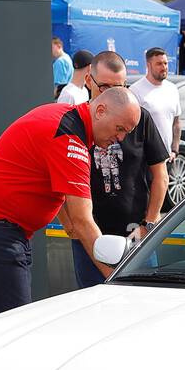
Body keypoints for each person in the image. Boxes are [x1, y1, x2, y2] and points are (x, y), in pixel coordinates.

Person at [0, 88, 141, 314]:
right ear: (100, 111)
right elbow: (83, 221)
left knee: (12, 321)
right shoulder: (69, 139)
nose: (120, 138)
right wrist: (115, 276)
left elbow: (58, 186)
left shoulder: (66, 118)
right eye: (120, 128)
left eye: (126, 132)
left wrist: (68, 222)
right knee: (16, 325)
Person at [74, 50, 171, 289]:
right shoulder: (75, 121)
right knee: (92, 307)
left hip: (135, 235)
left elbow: (161, 175)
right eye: (105, 87)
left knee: (142, 304)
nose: (115, 95)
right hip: (91, 237)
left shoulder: (140, 118)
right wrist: (73, 229)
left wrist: (148, 224)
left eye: (121, 87)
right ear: (89, 81)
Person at [129, 47, 182, 160]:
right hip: (144, 159)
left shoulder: (172, 89)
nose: (164, 68)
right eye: (159, 64)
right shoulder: (135, 90)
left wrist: (174, 150)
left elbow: (176, 123)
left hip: (167, 158)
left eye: (165, 63)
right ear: (148, 65)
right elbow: (130, 127)